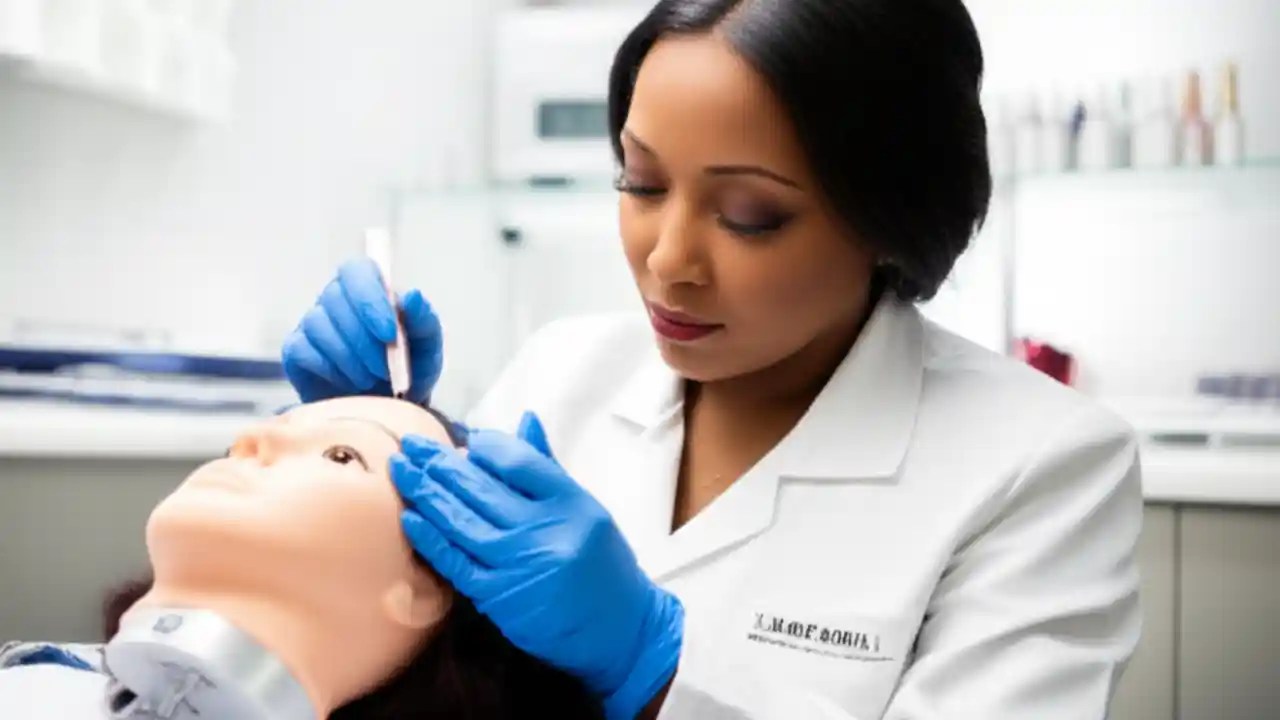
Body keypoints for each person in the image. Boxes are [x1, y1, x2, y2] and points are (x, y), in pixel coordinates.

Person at [280, 0, 1143, 718]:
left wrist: (657, 673)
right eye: (642, 184)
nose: (667, 261)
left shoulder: (1047, 466)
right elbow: (403, 660)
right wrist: (359, 448)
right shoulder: (562, 371)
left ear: (889, 218)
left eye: (750, 215)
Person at [0, 397, 602, 719]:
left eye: (342, 455)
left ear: (424, 588)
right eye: (278, 423)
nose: (255, 439)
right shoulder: (32, 691)